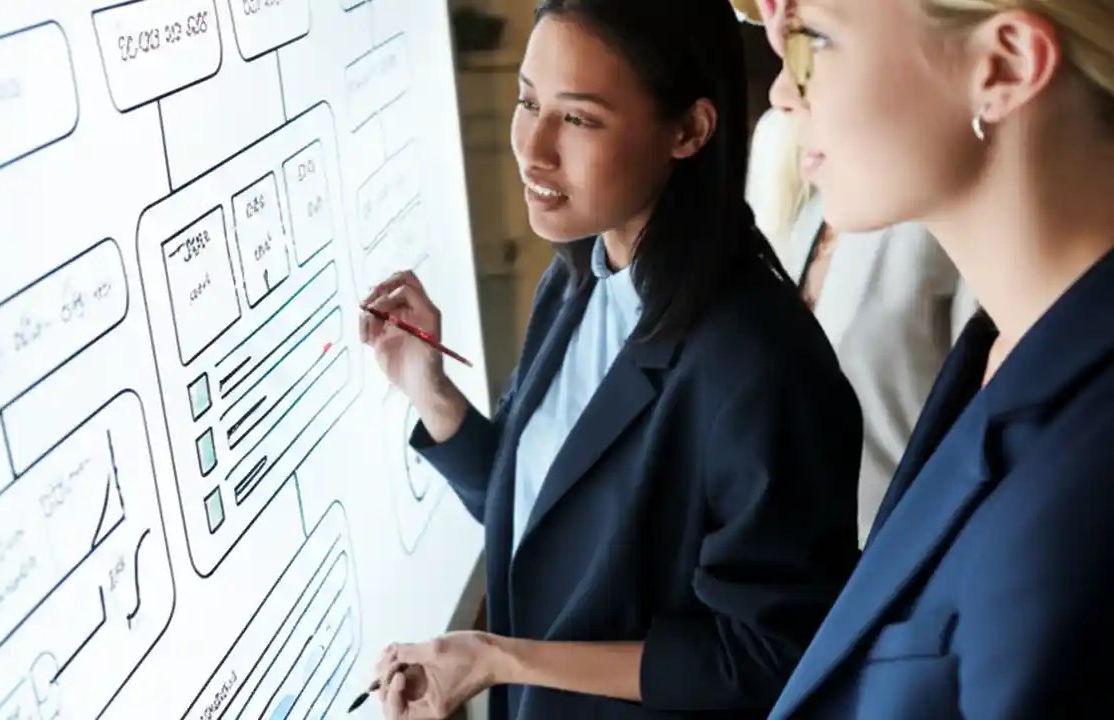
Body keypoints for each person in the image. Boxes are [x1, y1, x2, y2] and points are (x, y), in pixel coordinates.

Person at [358, 1, 863, 718]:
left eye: (579, 118)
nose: (533, 148)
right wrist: (431, 394)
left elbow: (768, 659)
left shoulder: (758, 364)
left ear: (688, 130)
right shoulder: (576, 279)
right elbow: (553, 523)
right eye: (528, 101)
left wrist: (503, 658)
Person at [743, 0, 1114, 716]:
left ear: (1002, 65)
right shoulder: (999, 348)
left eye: (813, 41)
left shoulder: (1087, 482)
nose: (784, 91)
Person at [744, 99, 979, 545]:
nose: (783, 93)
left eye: (818, 45)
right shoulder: (808, 214)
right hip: (797, 545)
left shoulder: (937, 223)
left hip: (904, 543)